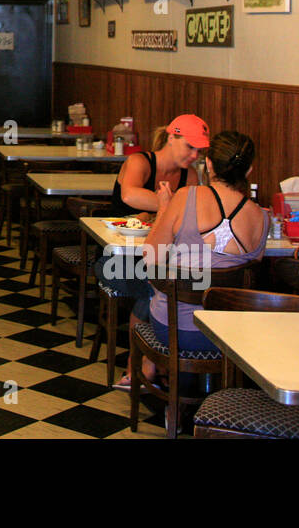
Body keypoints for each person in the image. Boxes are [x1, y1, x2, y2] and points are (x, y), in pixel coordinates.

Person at [139, 130, 268, 378]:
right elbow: (247, 279)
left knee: (147, 289)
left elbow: (151, 258)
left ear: (208, 164)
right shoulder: (262, 217)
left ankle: (150, 370)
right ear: (249, 170)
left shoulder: (186, 197)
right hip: (231, 336)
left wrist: (165, 208)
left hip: (176, 330)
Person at [104, 114, 210, 390]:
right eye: (190, 146)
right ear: (172, 138)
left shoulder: (191, 175)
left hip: (161, 259)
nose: (195, 154)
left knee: (169, 281)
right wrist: (171, 207)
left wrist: (168, 209)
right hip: (117, 259)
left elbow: (195, 216)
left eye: (200, 150)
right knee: (153, 285)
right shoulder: (140, 161)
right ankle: (137, 367)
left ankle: (164, 363)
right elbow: (129, 196)